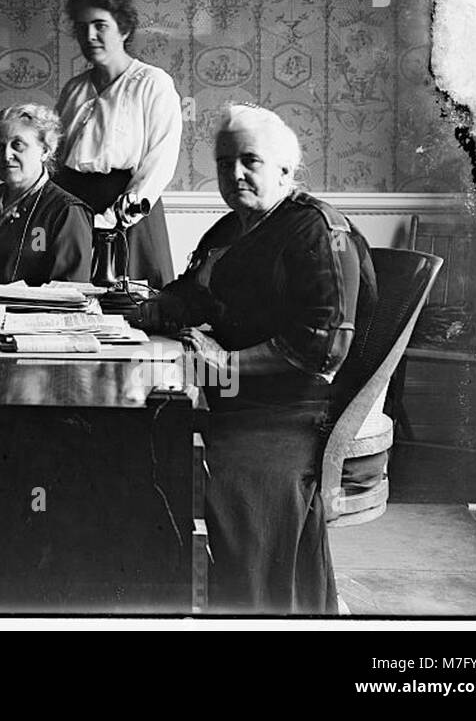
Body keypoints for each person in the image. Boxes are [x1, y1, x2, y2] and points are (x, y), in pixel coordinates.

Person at [136, 104, 377, 614]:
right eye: (225, 163)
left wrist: (224, 365)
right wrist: (156, 308)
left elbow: (321, 349)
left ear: (285, 171)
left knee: (187, 473)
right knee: (137, 448)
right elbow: (193, 291)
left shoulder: (316, 230)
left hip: (293, 415)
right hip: (234, 399)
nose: (235, 173)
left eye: (250, 161)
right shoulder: (230, 230)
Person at [54, 0, 182, 288]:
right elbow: (55, 157)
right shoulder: (74, 89)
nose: (90, 36)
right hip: (76, 208)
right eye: (82, 28)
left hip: (128, 211)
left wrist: (115, 219)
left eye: (101, 26)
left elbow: (160, 160)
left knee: (130, 303)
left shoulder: (152, 83)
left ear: (123, 30)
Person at [0, 104, 93, 285]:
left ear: (45, 151)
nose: (6, 155)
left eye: (17, 145)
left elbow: (69, 294)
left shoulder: (66, 212)